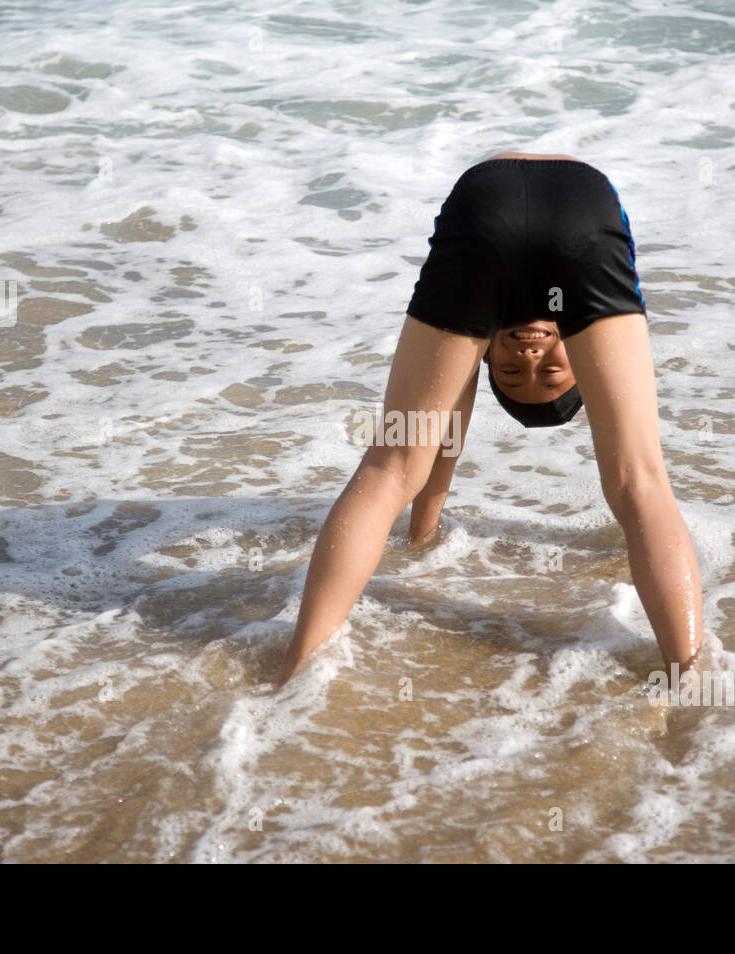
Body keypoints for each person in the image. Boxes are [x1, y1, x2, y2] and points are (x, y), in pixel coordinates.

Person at [273, 151, 704, 685]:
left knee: (388, 466)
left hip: (485, 202)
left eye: (518, 374)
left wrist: (420, 526)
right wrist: (420, 536)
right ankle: (691, 674)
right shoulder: (570, 317)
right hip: (581, 205)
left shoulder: (483, 329)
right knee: (640, 481)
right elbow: (447, 421)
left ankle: (296, 666)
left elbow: (428, 442)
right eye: (549, 375)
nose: (528, 361)